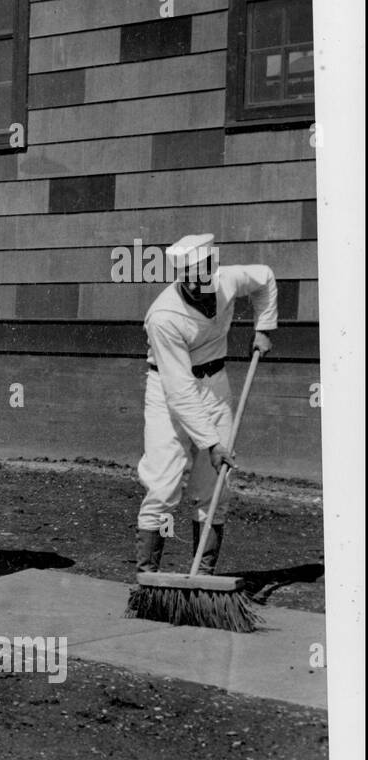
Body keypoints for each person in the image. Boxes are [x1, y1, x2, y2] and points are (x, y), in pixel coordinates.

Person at [134, 234, 276, 576]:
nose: (201, 289)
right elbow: (180, 391)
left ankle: (203, 577)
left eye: (205, 280)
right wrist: (210, 442)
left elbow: (265, 277)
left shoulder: (227, 278)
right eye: (192, 283)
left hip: (215, 383)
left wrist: (265, 326)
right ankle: (148, 579)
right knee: (164, 484)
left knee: (213, 486)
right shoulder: (164, 316)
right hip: (169, 391)